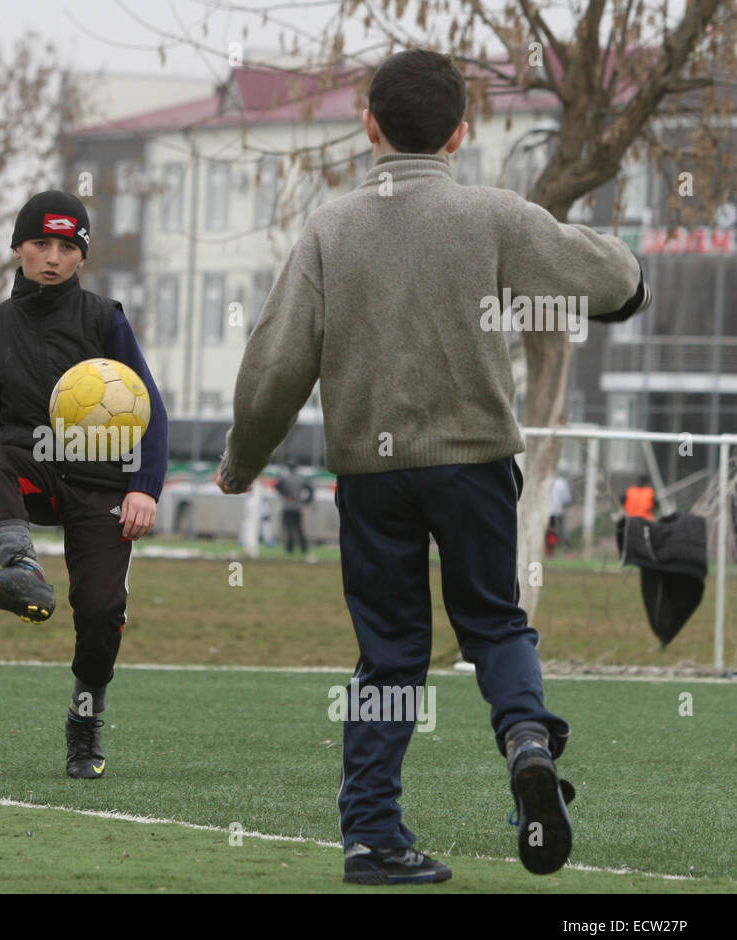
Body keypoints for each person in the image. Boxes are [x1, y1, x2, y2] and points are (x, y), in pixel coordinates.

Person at [215, 49, 651, 884]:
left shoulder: (330, 229)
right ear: (462, 131)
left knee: (389, 655)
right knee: (494, 624)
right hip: (475, 462)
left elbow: (277, 367)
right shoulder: (493, 216)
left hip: (371, 480)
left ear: (370, 126)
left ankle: (374, 836)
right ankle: (526, 739)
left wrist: (244, 456)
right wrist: (623, 278)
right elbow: (615, 281)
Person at [0, 189, 169, 779]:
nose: (53, 257)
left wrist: (144, 487)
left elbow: (151, 409)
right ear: (18, 248)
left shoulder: (104, 318)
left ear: (82, 257)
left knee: (99, 612)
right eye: (41, 243)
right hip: (30, 470)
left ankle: (84, 723)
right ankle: (24, 571)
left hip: (103, 483)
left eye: (67, 246)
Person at [275, 465, 310, 555]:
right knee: (300, 529)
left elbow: (277, 486)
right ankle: (304, 548)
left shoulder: (286, 479)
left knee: (289, 528)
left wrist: (285, 495)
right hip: (298, 507)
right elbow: (310, 489)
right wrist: (307, 500)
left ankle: (290, 548)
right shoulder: (301, 479)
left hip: (288, 506)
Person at [549, 473, 572, 549]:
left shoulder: (545, 480)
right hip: (558, 511)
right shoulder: (562, 483)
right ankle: (561, 547)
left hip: (547, 511)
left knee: (550, 529)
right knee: (558, 529)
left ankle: (550, 549)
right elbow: (566, 498)